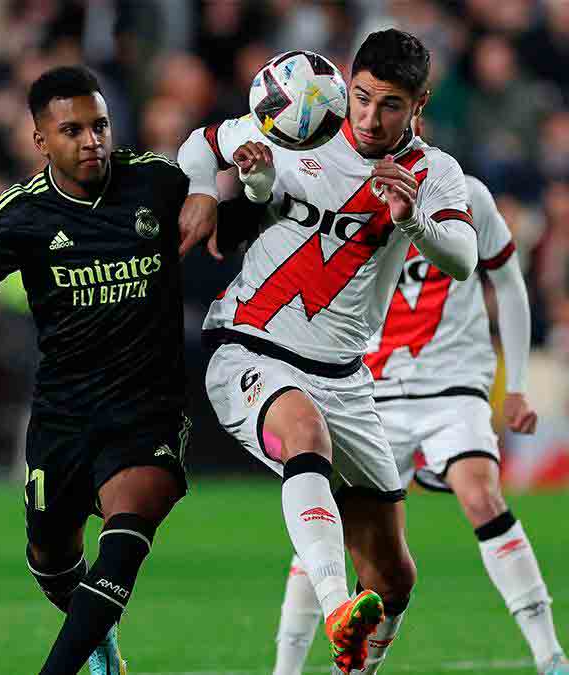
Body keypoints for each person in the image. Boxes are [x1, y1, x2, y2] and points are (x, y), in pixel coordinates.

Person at [0, 65, 252, 675]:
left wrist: (250, 190)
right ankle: (100, 644)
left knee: (124, 546)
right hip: (64, 414)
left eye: (99, 125)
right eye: (72, 130)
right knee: (50, 561)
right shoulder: (18, 217)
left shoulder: (156, 182)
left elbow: (230, 230)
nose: (91, 140)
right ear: (41, 141)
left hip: (147, 407)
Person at [176, 31, 477, 673]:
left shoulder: (433, 173)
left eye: (389, 104)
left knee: (394, 578)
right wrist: (210, 189)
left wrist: (411, 221)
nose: (369, 117)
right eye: (362, 97)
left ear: (419, 105)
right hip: (249, 345)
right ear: (347, 84)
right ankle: (336, 604)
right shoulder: (299, 120)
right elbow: (198, 146)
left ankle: (353, 661)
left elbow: (463, 259)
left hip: (344, 375)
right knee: (302, 432)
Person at [270, 170, 569, 675]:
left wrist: (519, 384)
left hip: (452, 383)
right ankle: (286, 670)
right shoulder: (344, 193)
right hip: (371, 390)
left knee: (482, 496)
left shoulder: (467, 195)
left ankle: (551, 658)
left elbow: (508, 280)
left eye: (399, 108)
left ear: (418, 113)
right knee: (331, 531)